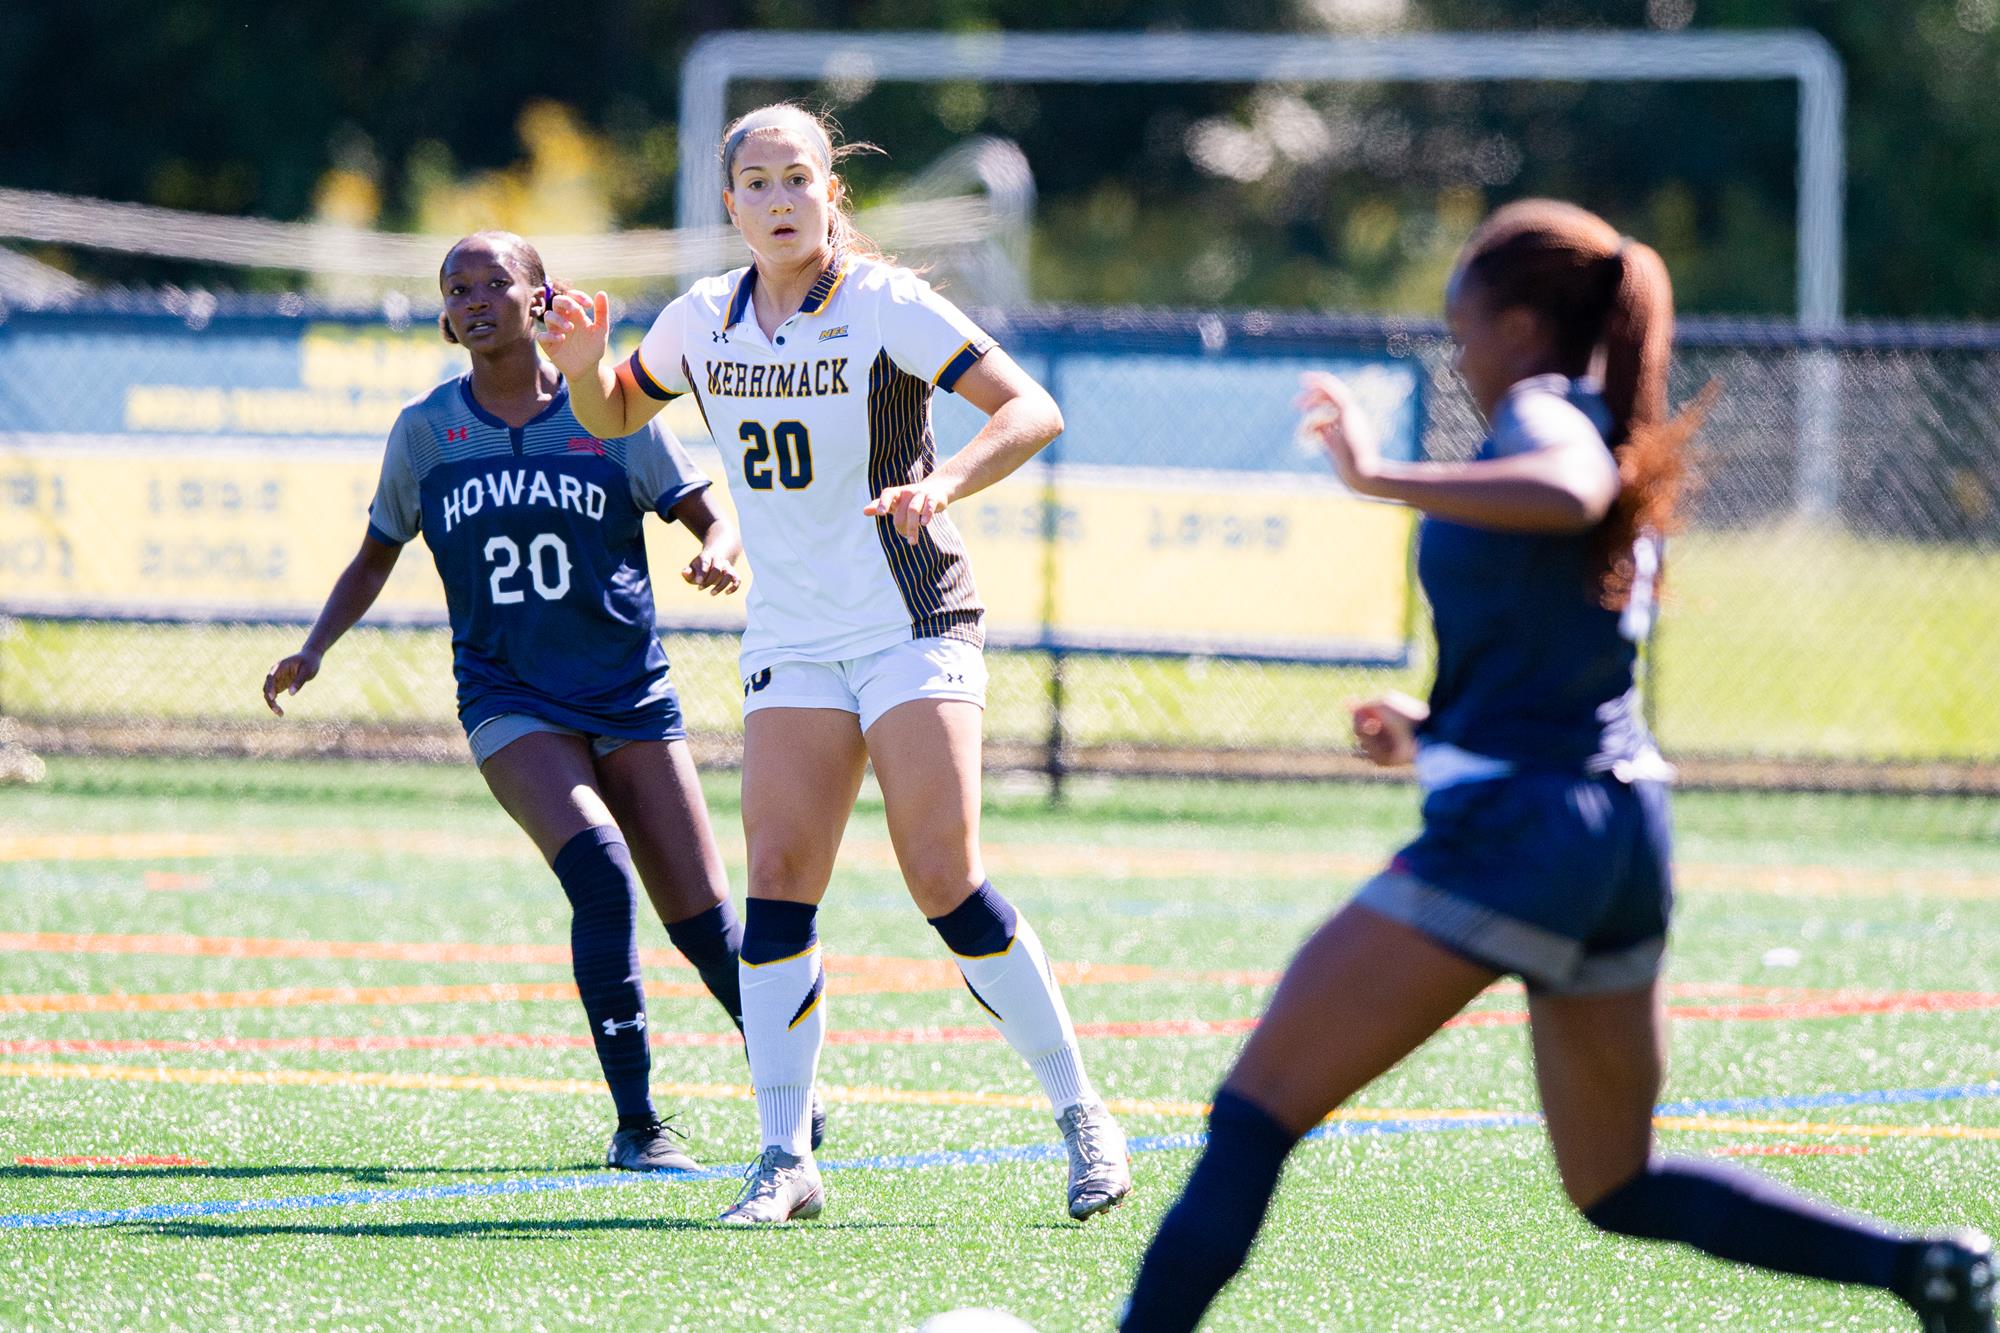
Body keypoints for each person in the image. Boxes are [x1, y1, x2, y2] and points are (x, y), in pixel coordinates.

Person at [1119, 200, 1995, 1331]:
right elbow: (1558, 665)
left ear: (1522, 327)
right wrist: (1431, 731)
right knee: (1615, 1184)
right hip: (1617, 829)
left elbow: (1567, 489)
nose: (1460, 356)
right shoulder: (1592, 418)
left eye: (1462, 330)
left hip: (1521, 833)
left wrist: (1379, 477)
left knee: (1252, 1115)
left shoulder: (1546, 414)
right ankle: (1921, 1269)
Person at [538, 103, 1134, 1226]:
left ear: (831, 194)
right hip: (795, 636)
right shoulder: (702, 316)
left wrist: (942, 483)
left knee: (940, 877)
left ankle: (1082, 1116)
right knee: (775, 882)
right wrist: (578, 368)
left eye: (796, 178)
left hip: (910, 616)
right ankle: (783, 1158)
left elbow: (1032, 408)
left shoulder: (880, 303)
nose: (776, 199)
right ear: (729, 204)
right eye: (754, 182)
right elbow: (616, 408)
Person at [262, 230, 798, 1174]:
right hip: (511, 699)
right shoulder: (426, 430)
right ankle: (639, 1125)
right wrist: (314, 647)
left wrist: (721, 546)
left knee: (709, 922)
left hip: (629, 693)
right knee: (599, 871)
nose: (473, 299)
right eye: (455, 287)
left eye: (493, 282)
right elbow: (379, 550)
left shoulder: (608, 410)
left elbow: (704, 511)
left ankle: (787, 1101)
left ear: (542, 297)